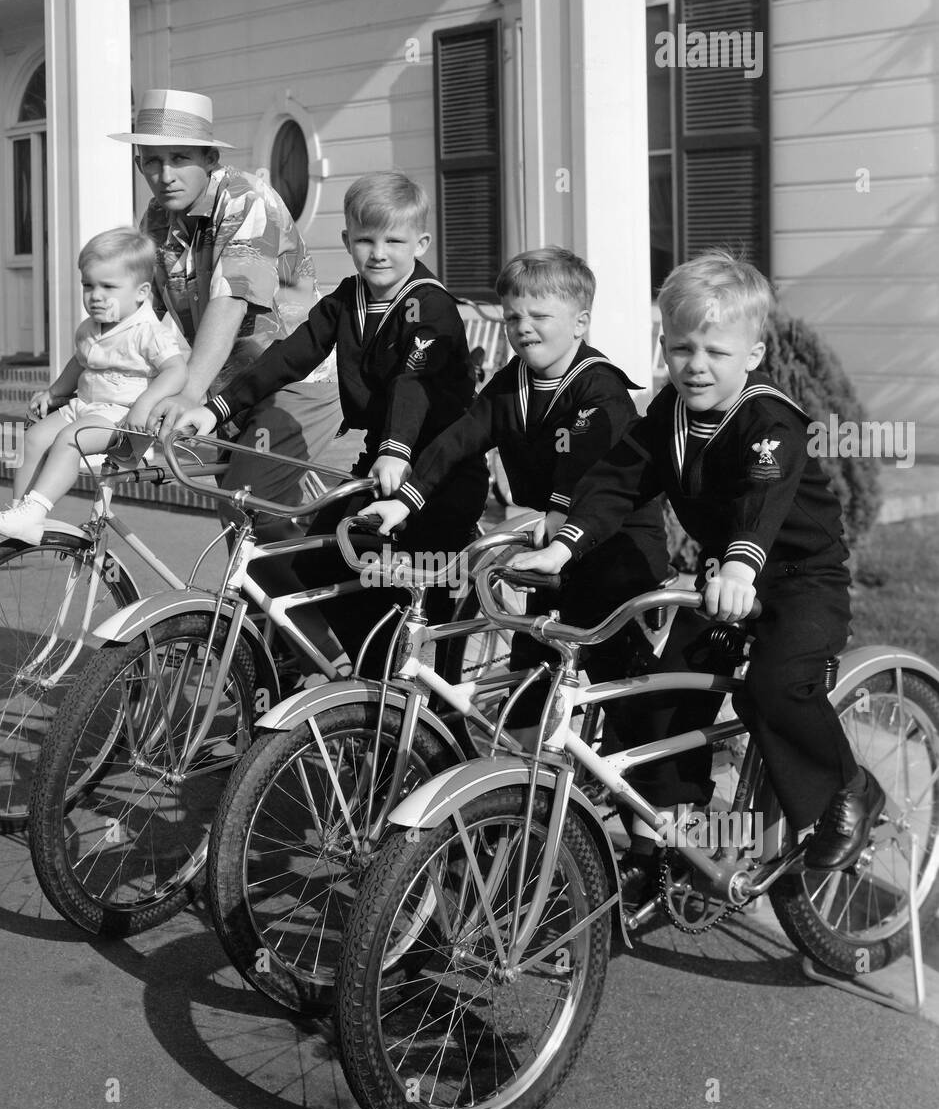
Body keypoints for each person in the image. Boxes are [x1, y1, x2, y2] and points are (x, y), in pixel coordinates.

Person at [511, 249, 884, 873]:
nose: (697, 366)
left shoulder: (769, 421)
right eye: (683, 349)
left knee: (775, 687)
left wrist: (740, 565)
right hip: (721, 582)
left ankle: (845, 792)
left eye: (716, 352)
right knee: (660, 696)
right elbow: (618, 479)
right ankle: (666, 843)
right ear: (664, 347)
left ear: (753, 356)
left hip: (796, 580)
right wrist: (565, 543)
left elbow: (761, 499)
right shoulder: (670, 415)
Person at [168, 170, 488, 669]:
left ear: (420, 243)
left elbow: (413, 381)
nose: (378, 252)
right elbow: (288, 356)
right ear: (347, 241)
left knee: (420, 588)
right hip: (382, 462)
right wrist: (216, 408)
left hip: (440, 470)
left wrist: (396, 448)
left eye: (394, 240)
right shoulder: (346, 299)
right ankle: (367, 685)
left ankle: (431, 716)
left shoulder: (431, 307)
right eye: (365, 240)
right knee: (320, 562)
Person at [362, 246, 669, 755]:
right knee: (533, 660)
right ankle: (523, 778)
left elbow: (583, 458)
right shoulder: (513, 383)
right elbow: (462, 436)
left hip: (613, 544)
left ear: (580, 322)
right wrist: (406, 502)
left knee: (615, 672)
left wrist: (555, 510)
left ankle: (647, 792)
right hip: (552, 549)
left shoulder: (600, 388)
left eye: (540, 316)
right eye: (512, 317)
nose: (523, 327)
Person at [109, 88, 347, 526]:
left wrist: (189, 392)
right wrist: (87, 382)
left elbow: (232, 297)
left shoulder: (245, 198)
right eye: (151, 161)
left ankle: (315, 592)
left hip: (296, 381)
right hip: (230, 392)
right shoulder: (157, 219)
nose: (164, 175)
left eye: (180, 158)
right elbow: (144, 316)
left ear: (210, 160)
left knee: (247, 509)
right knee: (248, 522)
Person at [0, 227, 189, 545]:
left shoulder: (148, 331)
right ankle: (19, 515)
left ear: (141, 292)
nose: (96, 295)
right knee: (35, 438)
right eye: (88, 286)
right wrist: (55, 392)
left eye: (108, 287)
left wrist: (146, 403)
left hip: (125, 418)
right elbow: (80, 362)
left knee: (69, 439)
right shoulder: (90, 328)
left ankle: (36, 510)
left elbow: (176, 371)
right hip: (86, 405)